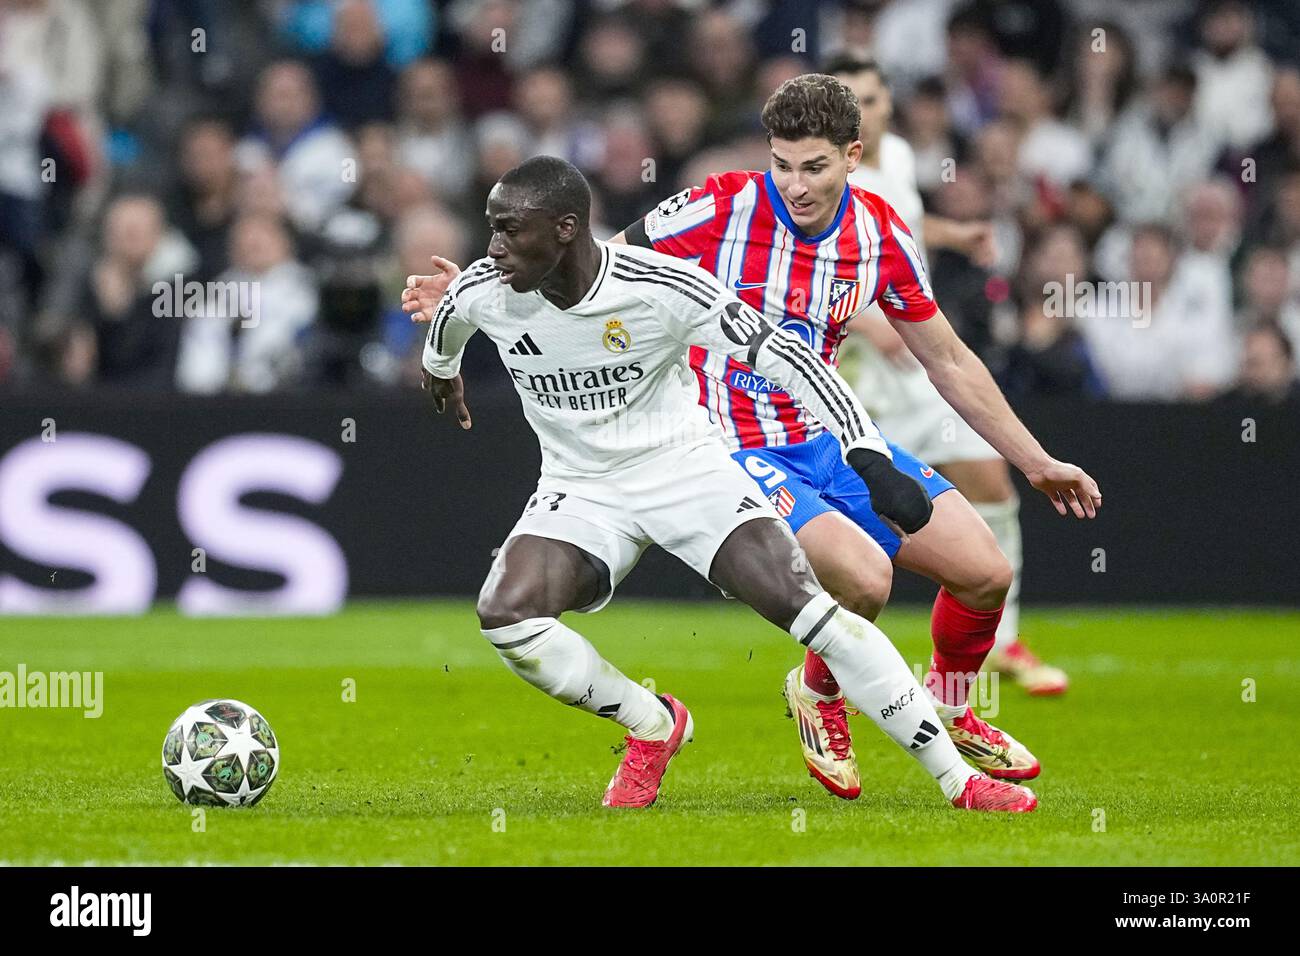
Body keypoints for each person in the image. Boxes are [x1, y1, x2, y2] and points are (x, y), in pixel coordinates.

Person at [403, 155, 1037, 813]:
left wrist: (867, 454)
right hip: (581, 486)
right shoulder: (483, 288)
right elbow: (447, 331)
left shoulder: (661, 288)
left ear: (566, 228)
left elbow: (792, 360)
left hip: (687, 472)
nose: (494, 247)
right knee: (505, 617)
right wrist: (440, 375)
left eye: (511, 230)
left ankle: (958, 781)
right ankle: (652, 724)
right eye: (491, 229)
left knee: (816, 613)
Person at [608, 74, 1101, 800]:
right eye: (782, 163)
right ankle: (821, 692)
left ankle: (950, 706)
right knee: (866, 578)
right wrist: (479, 289)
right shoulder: (722, 205)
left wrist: (1035, 460)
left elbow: (949, 359)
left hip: (831, 437)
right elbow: (600, 267)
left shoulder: (879, 233)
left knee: (985, 574)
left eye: (814, 166)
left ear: (852, 155)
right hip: (734, 448)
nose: (795, 185)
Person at [828, 55, 1070, 695]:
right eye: (850, 99)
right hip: (851, 380)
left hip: (917, 361)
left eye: (874, 98)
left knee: (992, 484)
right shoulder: (825, 182)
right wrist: (865, 321)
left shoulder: (901, 161)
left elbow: (900, 230)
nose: (865, 110)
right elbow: (792, 279)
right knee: (861, 537)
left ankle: (999, 643)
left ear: (886, 107)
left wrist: (955, 234)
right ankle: (832, 669)